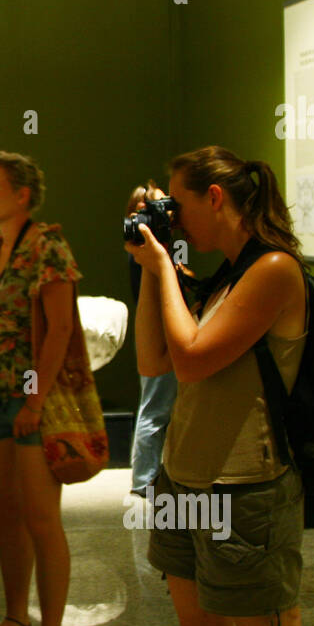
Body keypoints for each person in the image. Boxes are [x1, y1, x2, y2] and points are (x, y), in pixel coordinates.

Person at [125, 146, 314, 626]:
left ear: (214, 198)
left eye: (179, 206)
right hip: (181, 482)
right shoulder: (226, 277)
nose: (175, 220)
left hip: (243, 494)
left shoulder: (274, 270)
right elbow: (152, 360)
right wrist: (151, 264)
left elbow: (190, 362)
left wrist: (164, 264)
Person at [0, 151, 81, 626]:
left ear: (22, 196)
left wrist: (35, 402)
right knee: (7, 512)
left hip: (33, 402)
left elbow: (59, 330)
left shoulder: (47, 248)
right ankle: (15, 618)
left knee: (41, 518)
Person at [125, 180, 190, 496]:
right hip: (160, 334)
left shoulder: (152, 253)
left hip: (158, 332)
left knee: (153, 407)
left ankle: (146, 475)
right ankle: (145, 479)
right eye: (153, 209)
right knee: (155, 408)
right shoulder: (144, 254)